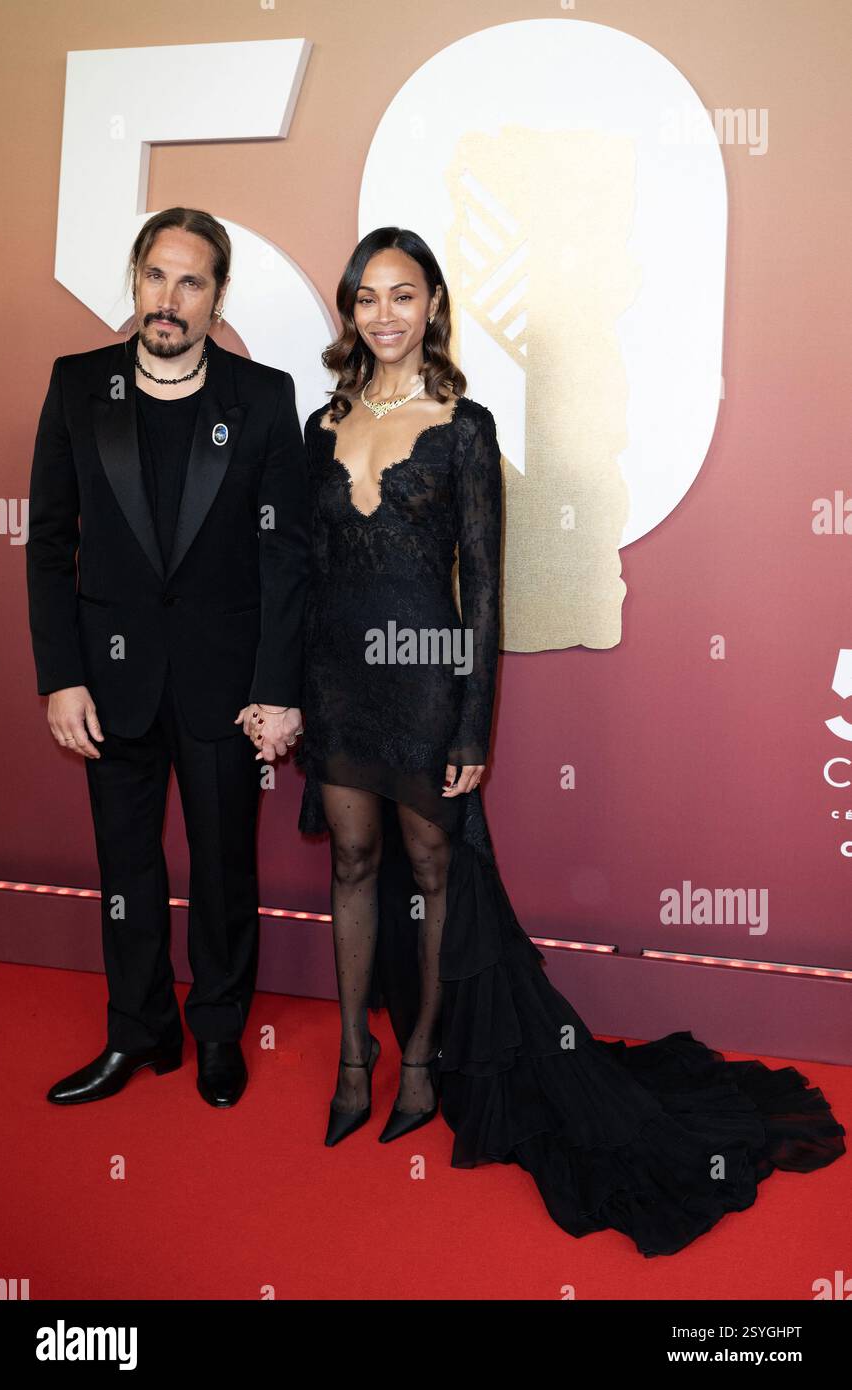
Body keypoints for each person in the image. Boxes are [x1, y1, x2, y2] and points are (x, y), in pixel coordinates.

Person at [243, 226, 845, 1257]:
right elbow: (294, 572)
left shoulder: (466, 427)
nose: (383, 315)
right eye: (365, 298)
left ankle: (423, 1060)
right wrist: (280, 692)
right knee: (350, 861)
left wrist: (473, 720)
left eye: (403, 295)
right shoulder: (321, 422)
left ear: (432, 304)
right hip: (336, 683)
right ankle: (353, 1061)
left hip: (427, 683)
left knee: (432, 869)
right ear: (348, 312)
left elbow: (483, 588)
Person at [26, 207, 310, 1109]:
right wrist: (61, 676)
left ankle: (220, 1031)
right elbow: (48, 544)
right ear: (135, 280)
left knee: (224, 865)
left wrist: (275, 688)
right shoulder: (77, 386)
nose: (170, 298)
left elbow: (286, 559)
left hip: (225, 688)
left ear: (217, 296)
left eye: (191, 282)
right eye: (156, 276)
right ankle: (137, 1030)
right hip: (110, 684)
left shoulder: (262, 399)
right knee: (127, 867)